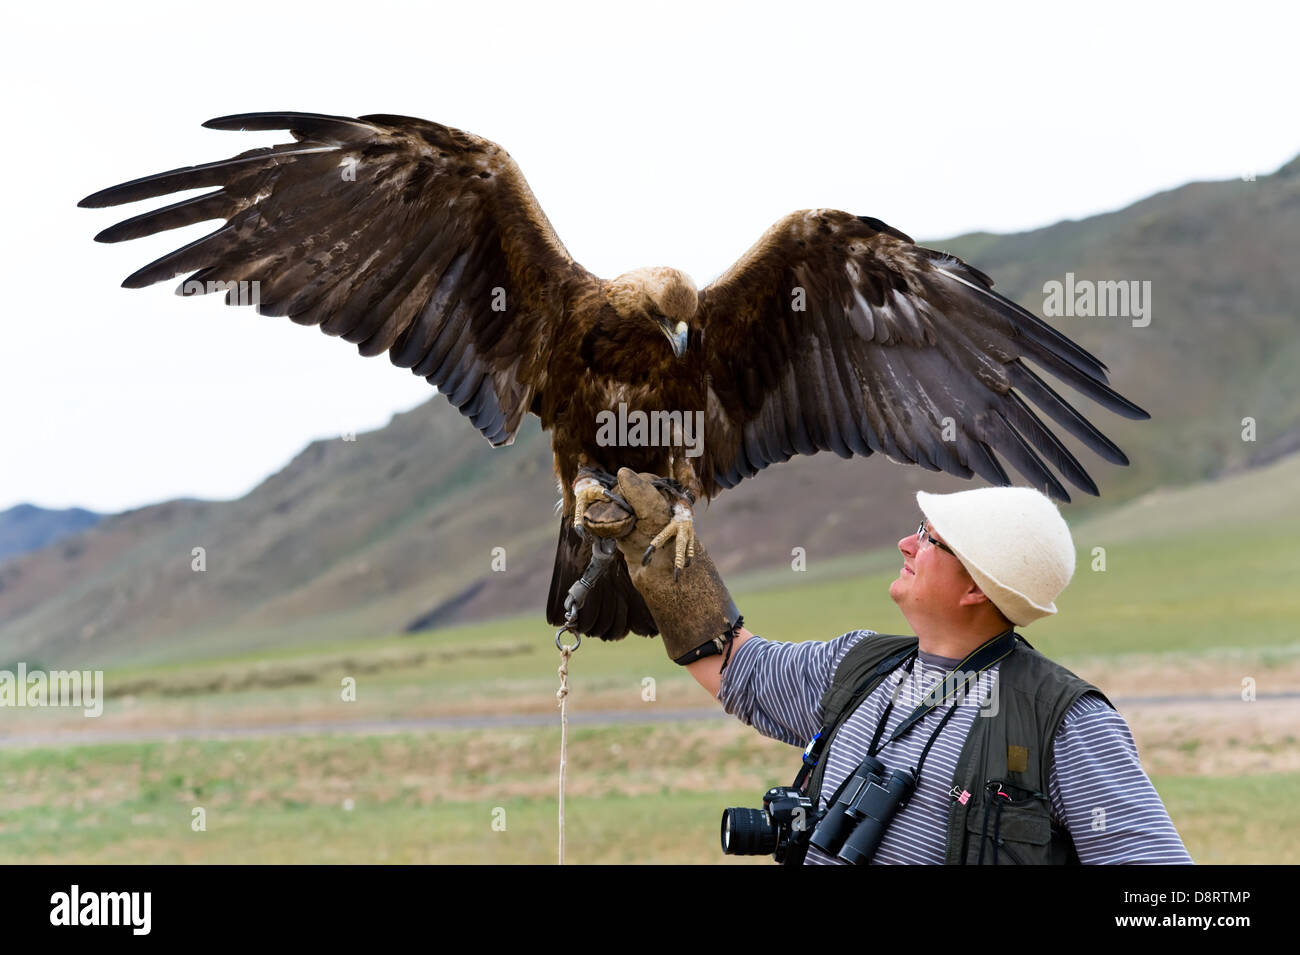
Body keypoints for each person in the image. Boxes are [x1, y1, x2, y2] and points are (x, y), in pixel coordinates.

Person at [584, 468, 1193, 865]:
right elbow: (733, 666)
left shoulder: (1060, 720)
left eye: (930, 537)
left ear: (978, 587)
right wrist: (668, 567)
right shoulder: (857, 666)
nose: (906, 543)